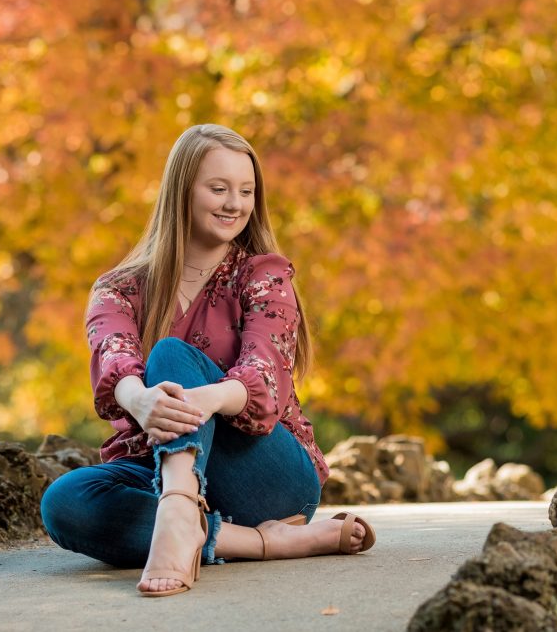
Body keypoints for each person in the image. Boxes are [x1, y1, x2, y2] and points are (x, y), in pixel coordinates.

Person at [40, 123, 375, 597]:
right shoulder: (118, 288)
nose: (234, 204)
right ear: (181, 191)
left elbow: (263, 372)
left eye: (246, 191)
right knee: (65, 502)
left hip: (266, 477)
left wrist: (202, 399)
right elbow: (113, 356)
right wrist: (141, 403)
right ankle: (259, 542)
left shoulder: (265, 276)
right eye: (218, 188)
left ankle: (179, 511)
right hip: (154, 461)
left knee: (172, 355)